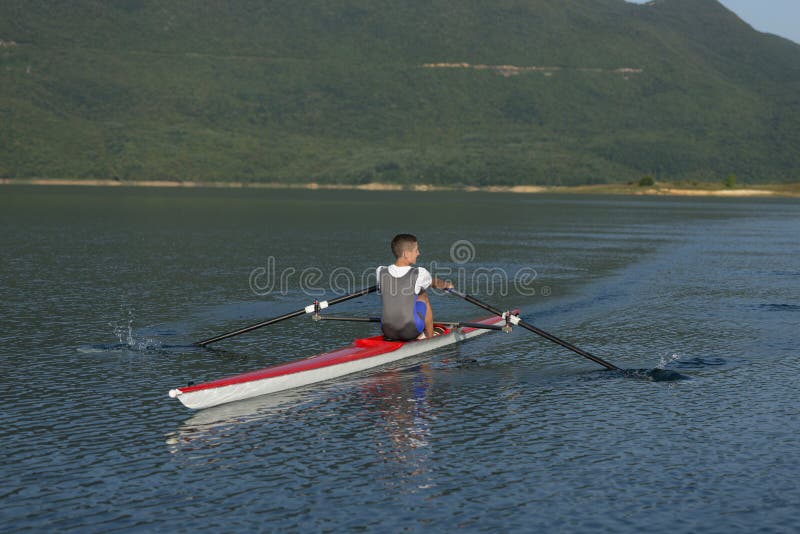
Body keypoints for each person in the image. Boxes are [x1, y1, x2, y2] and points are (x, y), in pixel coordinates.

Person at [376, 234, 453, 341]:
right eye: (416, 250)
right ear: (406, 254)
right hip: (410, 331)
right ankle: (429, 337)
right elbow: (434, 283)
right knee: (422, 295)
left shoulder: (380, 271)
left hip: (387, 331)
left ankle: (393, 333)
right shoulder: (419, 273)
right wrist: (447, 285)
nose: (418, 253)